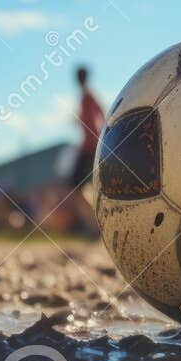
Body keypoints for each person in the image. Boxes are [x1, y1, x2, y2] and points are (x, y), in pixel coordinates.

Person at [67, 66, 104, 235]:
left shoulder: (88, 95)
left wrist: (103, 134)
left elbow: (102, 113)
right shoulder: (85, 96)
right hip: (89, 146)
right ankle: (94, 225)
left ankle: (94, 225)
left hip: (90, 147)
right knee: (81, 187)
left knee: (75, 187)